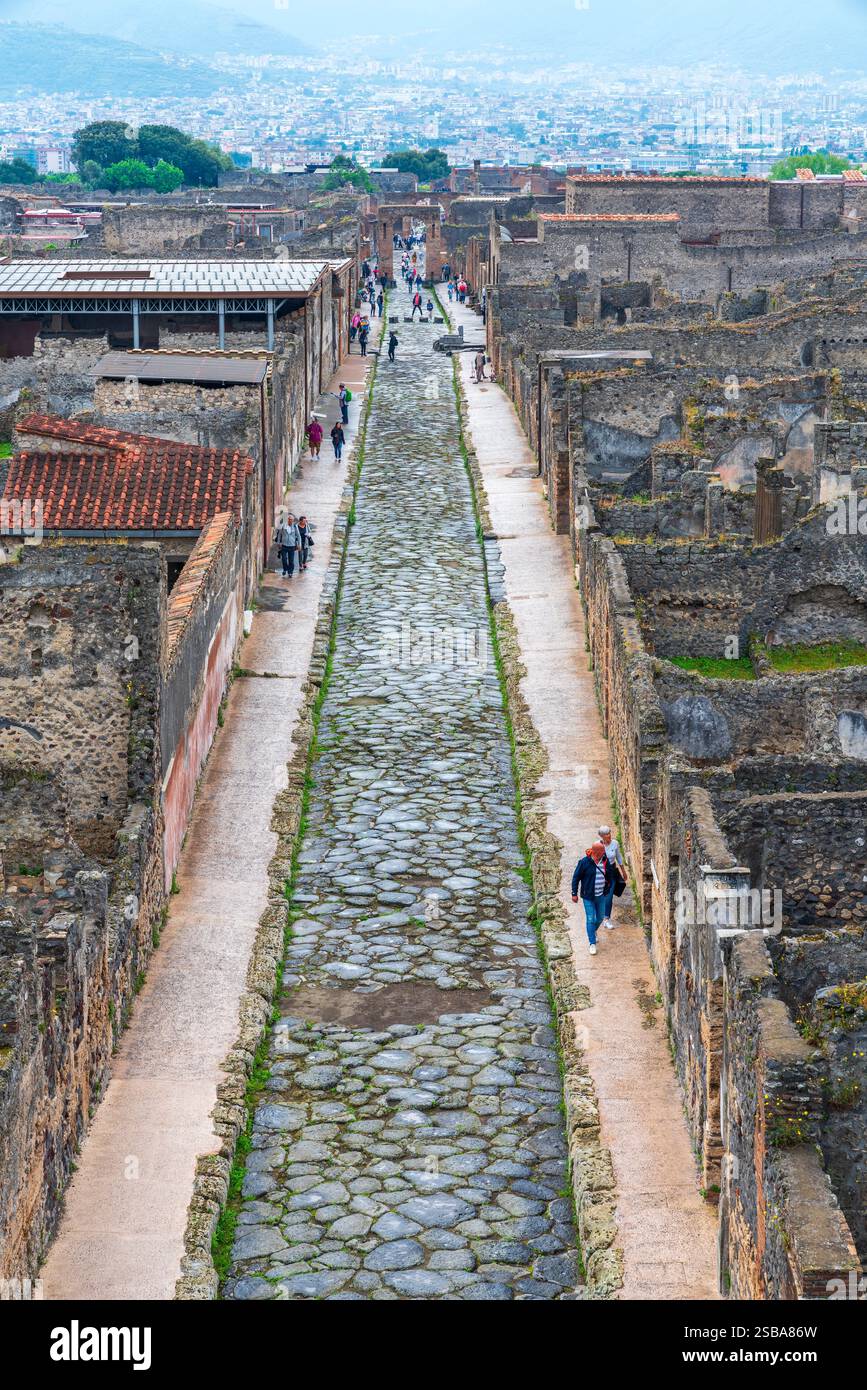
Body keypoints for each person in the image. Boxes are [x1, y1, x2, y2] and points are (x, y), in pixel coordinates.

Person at [571, 841, 616, 955]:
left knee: (600, 918)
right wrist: (574, 893)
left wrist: (608, 887)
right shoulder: (584, 862)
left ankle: (592, 931)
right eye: (602, 850)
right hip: (588, 896)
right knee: (591, 918)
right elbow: (576, 878)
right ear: (596, 852)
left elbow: (610, 874)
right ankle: (592, 943)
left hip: (601, 895)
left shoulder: (605, 861)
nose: (604, 851)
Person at [597, 824, 627, 930]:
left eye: (609, 833)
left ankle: (606, 919)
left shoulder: (615, 843)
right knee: (600, 895)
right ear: (602, 836)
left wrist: (623, 872)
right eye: (606, 834)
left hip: (612, 873)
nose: (609, 835)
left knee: (609, 897)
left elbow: (619, 857)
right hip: (601, 873)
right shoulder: (598, 845)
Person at [273, 511, 300, 577]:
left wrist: (299, 544)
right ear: (287, 520)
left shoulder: (295, 526)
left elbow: (298, 536)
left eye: (292, 520)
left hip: (292, 546)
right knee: (284, 559)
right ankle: (285, 569)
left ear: (293, 520)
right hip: (284, 545)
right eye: (289, 519)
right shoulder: (283, 526)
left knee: (291, 560)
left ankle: (290, 572)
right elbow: (279, 535)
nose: (290, 521)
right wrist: (278, 543)